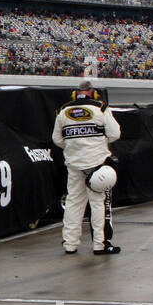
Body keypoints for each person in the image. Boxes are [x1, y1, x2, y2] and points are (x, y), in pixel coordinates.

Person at [51, 79, 122, 255]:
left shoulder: (63, 111)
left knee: (74, 203)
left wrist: (74, 146)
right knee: (99, 204)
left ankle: (70, 244)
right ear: (94, 93)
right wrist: (98, 141)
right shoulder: (101, 109)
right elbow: (115, 134)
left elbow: (57, 140)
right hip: (97, 165)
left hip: (74, 165)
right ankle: (101, 244)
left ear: (75, 94)